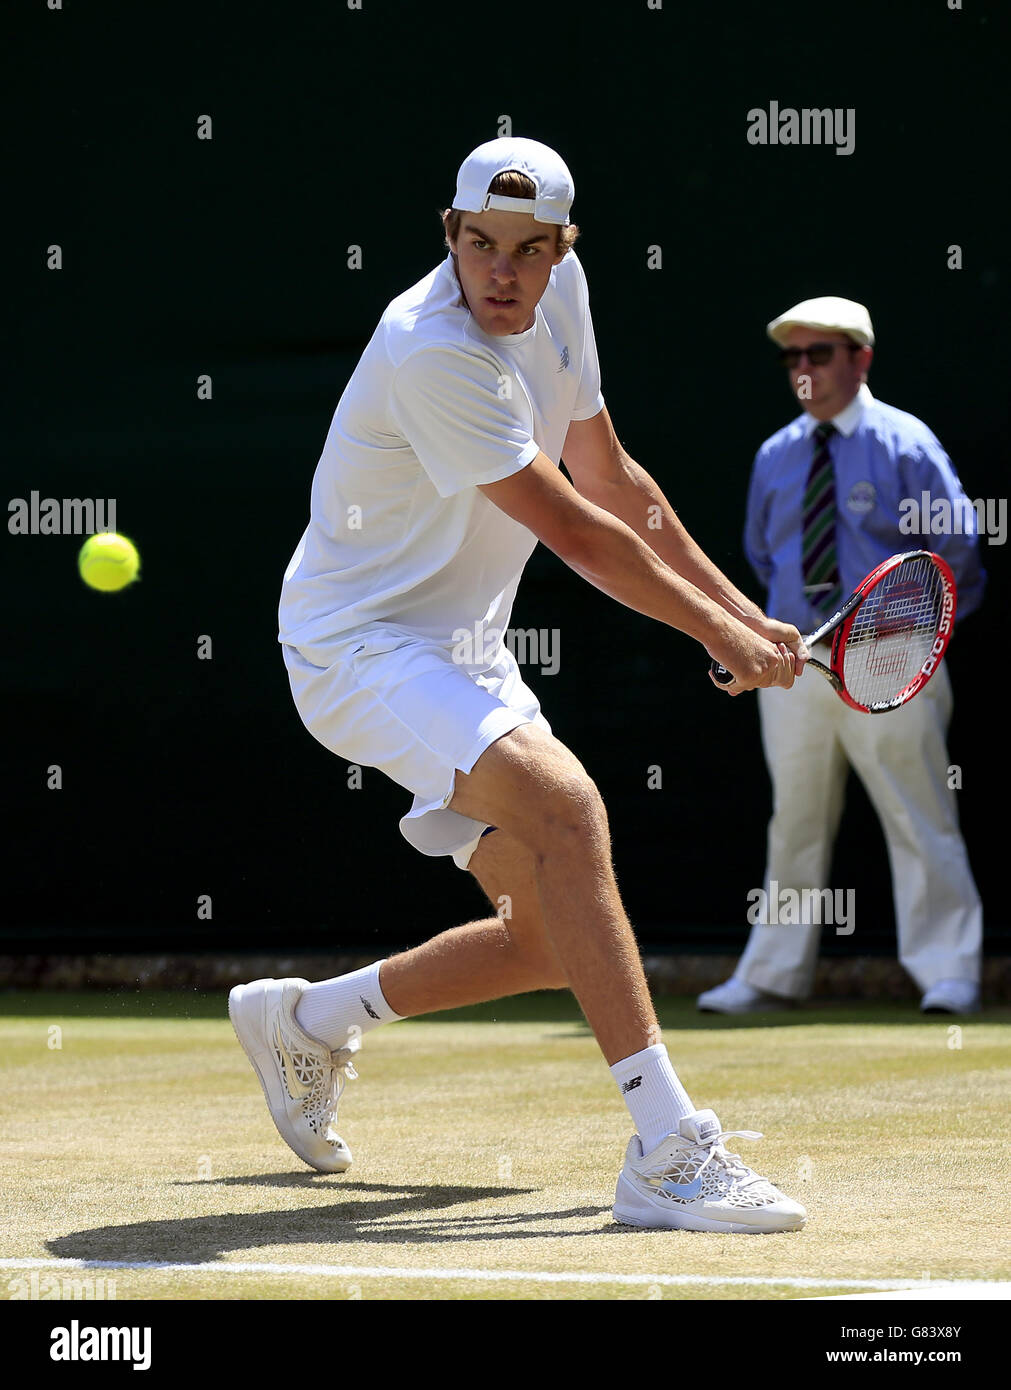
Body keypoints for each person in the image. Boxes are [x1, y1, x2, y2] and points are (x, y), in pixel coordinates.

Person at [230, 137, 810, 1234]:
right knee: (569, 806)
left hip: (464, 653)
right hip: (356, 647)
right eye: (480, 244)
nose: (503, 272)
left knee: (546, 937)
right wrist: (718, 632)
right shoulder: (429, 347)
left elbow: (612, 474)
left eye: (531, 250)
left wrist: (739, 609)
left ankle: (307, 1019)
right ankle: (671, 1150)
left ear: (563, 252)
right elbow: (576, 531)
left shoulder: (560, 298)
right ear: (448, 237)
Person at [698, 297, 985, 1018]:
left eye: (817, 353)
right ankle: (770, 975)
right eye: (791, 357)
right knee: (792, 819)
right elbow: (765, 555)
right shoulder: (775, 454)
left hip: (894, 662)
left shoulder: (905, 444)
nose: (802, 370)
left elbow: (955, 555)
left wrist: (905, 641)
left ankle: (948, 972)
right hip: (792, 664)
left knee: (918, 814)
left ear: (859, 358)